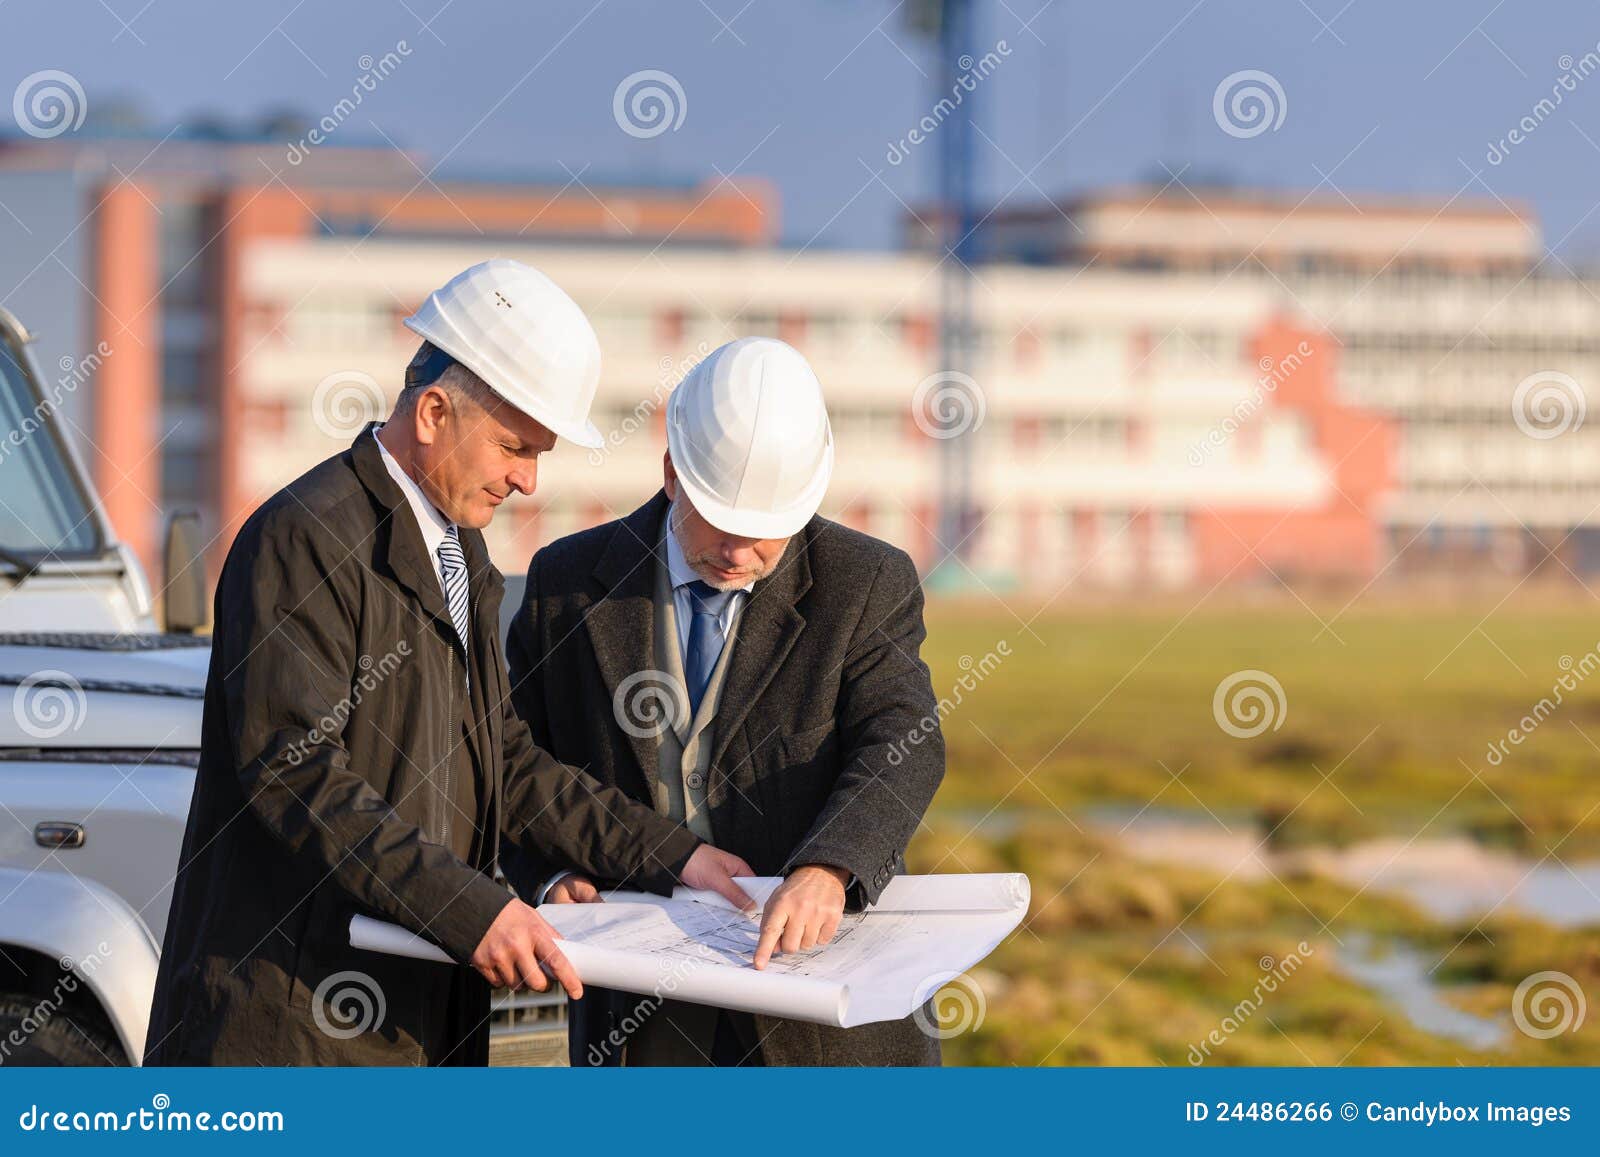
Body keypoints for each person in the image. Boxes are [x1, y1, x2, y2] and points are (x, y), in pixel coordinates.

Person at [145, 260, 752, 1066]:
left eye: (537, 453)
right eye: (513, 447)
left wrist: (675, 854)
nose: (528, 480)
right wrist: (474, 911)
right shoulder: (306, 539)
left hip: (407, 1020)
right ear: (433, 411)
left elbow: (504, 760)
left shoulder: (460, 554)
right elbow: (297, 773)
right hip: (290, 1027)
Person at [505, 337, 946, 1066]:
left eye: (767, 525)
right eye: (720, 517)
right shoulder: (565, 584)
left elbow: (904, 741)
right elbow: (509, 764)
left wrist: (830, 868)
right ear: (674, 470)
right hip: (639, 1027)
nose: (740, 548)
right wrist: (545, 875)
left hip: (826, 1041)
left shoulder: (869, 581)